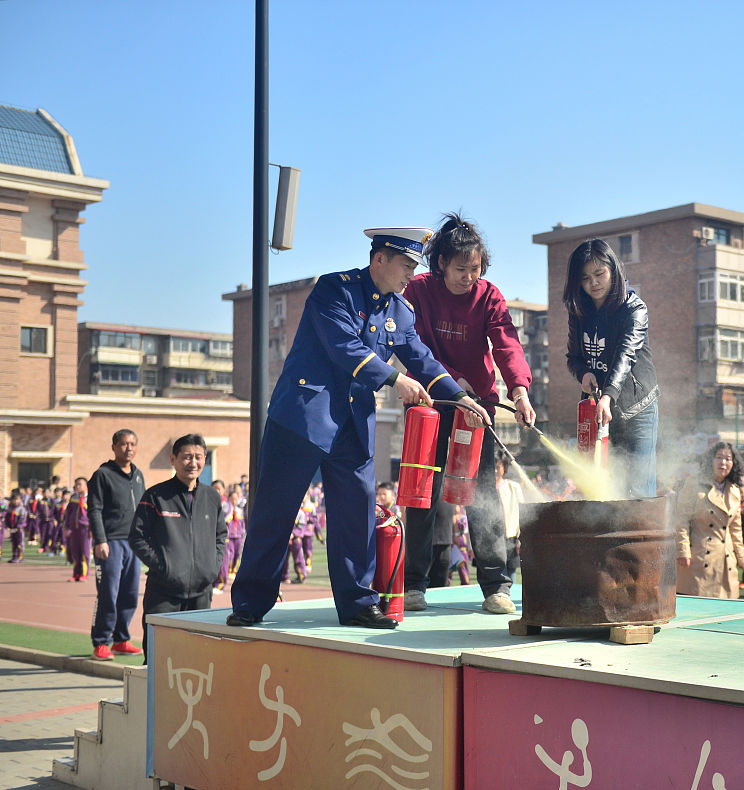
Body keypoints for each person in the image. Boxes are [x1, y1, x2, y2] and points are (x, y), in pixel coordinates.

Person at [227, 227, 488, 630]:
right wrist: (394, 380)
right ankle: (250, 602)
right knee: (275, 512)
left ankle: (357, 603)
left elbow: (420, 357)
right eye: (405, 265)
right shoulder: (334, 290)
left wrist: (459, 397)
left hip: (352, 425)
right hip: (303, 417)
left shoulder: (400, 311)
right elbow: (344, 347)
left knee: (358, 513)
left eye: (414, 267)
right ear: (379, 259)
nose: (409, 275)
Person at [401, 214, 533, 615]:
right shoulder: (419, 291)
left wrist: (521, 391)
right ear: (439, 263)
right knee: (421, 495)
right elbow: (416, 349)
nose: (468, 278)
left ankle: (496, 584)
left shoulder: (489, 296)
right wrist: (455, 388)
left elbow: (507, 344)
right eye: (461, 269)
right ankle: (413, 585)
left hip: (477, 412)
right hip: (431, 406)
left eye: (475, 270)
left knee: (483, 498)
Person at [563, 238, 660, 498]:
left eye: (599, 274)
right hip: (598, 411)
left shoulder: (634, 308)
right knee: (605, 488)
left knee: (639, 490)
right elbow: (573, 357)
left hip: (636, 408)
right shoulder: (578, 311)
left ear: (614, 270)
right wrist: (583, 374)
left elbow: (625, 356)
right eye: (585, 278)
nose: (593, 283)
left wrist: (608, 394)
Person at [129, 435, 227, 662]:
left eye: (198, 457)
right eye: (186, 457)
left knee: (199, 657)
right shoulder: (155, 496)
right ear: (173, 459)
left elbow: (221, 536)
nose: (193, 463)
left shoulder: (212, 497)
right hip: (164, 592)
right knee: (159, 656)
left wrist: (212, 567)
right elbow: (137, 537)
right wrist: (164, 567)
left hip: (201, 593)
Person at [87, 429, 146, 660]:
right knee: (107, 594)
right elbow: (95, 509)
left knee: (129, 594)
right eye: (123, 444)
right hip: (110, 543)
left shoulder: (138, 475)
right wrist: (100, 540)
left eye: (132, 444)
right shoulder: (102, 475)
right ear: (113, 447)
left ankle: (121, 639)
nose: (128, 448)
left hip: (133, 543)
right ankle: (101, 642)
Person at [675, 442, 744, 599]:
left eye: (728, 459)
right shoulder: (694, 484)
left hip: (726, 560)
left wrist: (742, 557)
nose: (723, 462)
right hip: (699, 559)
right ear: (710, 460)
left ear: (733, 463)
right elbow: (680, 519)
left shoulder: (734, 491)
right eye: (719, 457)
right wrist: (682, 550)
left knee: (725, 614)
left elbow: (735, 530)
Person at [495, 453, 524, 584]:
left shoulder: (513, 487)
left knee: (511, 570)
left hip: (511, 536)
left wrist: (520, 537)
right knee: (495, 571)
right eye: (493, 467)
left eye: (498, 467)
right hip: (493, 538)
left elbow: (522, 513)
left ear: (504, 468)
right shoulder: (486, 489)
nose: (495, 470)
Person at [62, 478, 91, 582]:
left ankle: (84, 573)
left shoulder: (91, 498)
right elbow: (67, 513)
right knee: (75, 552)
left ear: (86, 485)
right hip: (74, 528)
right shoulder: (74, 497)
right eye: (76, 484)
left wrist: (92, 529)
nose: (77, 486)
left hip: (85, 529)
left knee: (85, 552)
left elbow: (94, 515)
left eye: (80, 484)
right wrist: (66, 526)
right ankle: (76, 573)